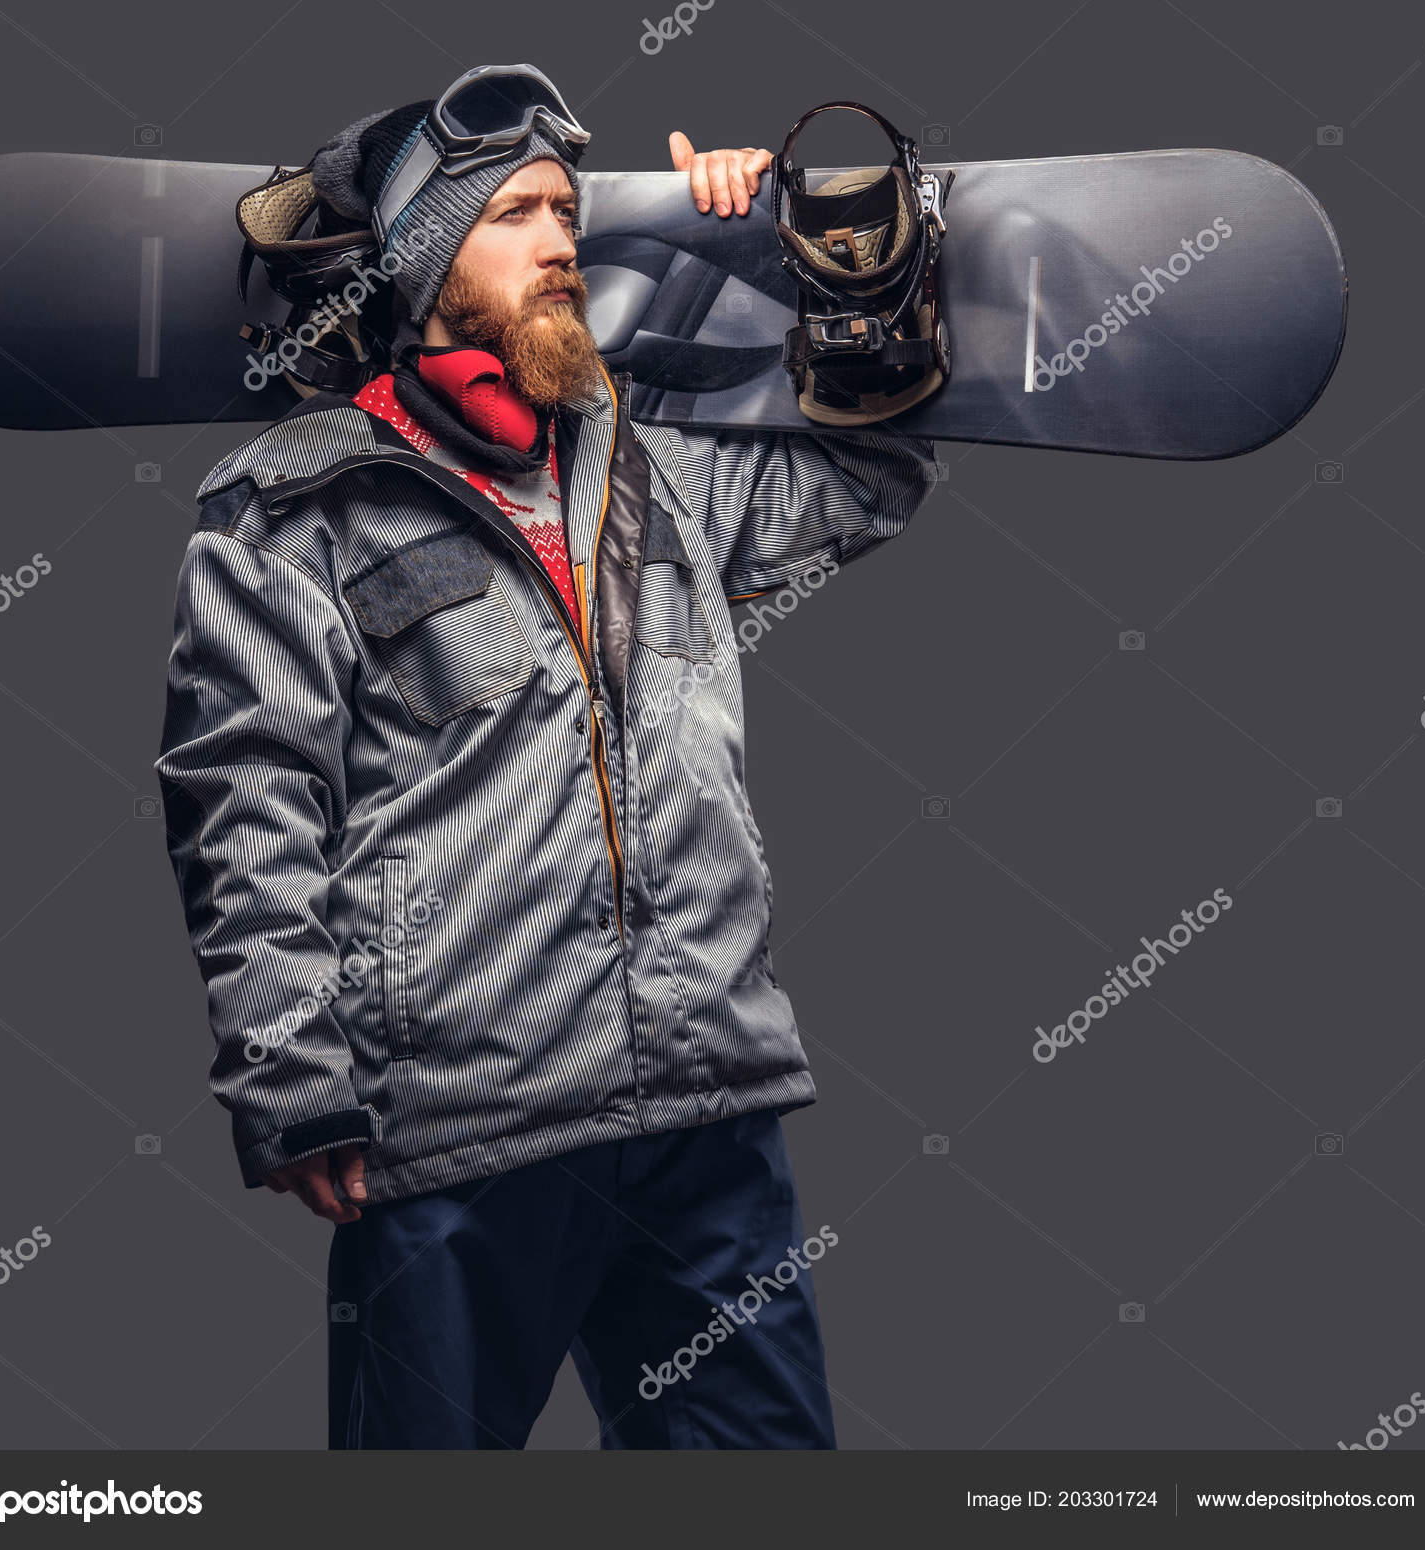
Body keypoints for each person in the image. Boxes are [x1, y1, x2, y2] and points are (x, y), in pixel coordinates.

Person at [154, 63, 938, 1449]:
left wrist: (786, 253)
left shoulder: (655, 468)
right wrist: (290, 1071)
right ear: (424, 261)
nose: (561, 241)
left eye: (569, 213)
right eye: (515, 214)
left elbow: (868, 477)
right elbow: (243, 799)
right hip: (462, 1124)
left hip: (707, 1107)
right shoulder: (298, 510)